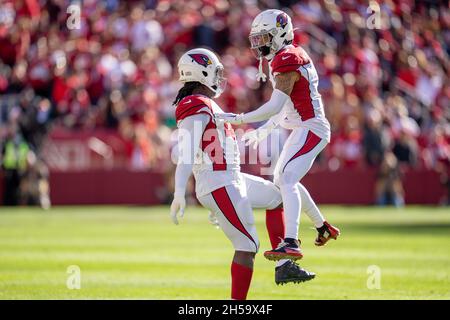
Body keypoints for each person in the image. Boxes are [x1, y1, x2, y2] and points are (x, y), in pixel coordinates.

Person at [169, 48, 315, 300]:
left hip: (229, 178)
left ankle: (283, 266)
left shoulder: (203, 103)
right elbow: (187, 150)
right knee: (247, 246)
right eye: (214, 72)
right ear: (201, 72)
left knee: (277, 197)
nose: (218, 78)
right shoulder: (194, 104)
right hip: (220, 181)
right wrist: (179, 192)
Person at [216, 9, 340, 261]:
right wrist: (265, 130)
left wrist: (239, 119)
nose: (259, 44)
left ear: (280, 34)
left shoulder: (288, 57)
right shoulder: (284, 56)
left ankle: (292, 242)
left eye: (264, 37)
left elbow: (274, 106)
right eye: (257, 38)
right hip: (301, 127)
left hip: (311, 127)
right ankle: (322, 227)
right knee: (284, 181)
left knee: (287, 180)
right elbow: (283, 108)